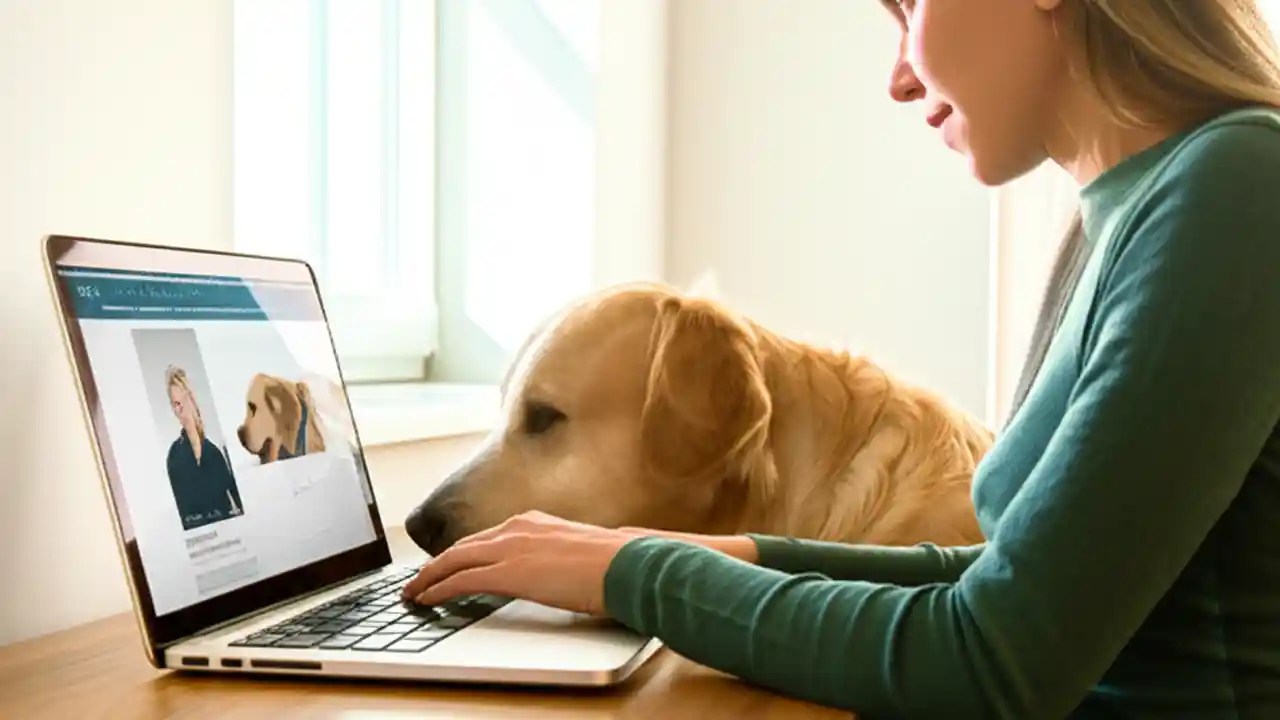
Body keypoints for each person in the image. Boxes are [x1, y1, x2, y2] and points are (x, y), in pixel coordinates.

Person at [402, 1, 1280, 715]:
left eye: (909, 9)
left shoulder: (1233, 191)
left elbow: (994, 663)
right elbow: (1007, 579)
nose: (900, 77)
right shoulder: (1126, 214)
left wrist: (637, 573)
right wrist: (702, 552)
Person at [164, 366, 243, 530]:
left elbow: (238, 504)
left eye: (182, 402)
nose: (179, 410)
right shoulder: (174, 456)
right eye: (175, 404)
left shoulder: (215, 454)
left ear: (191, 400)